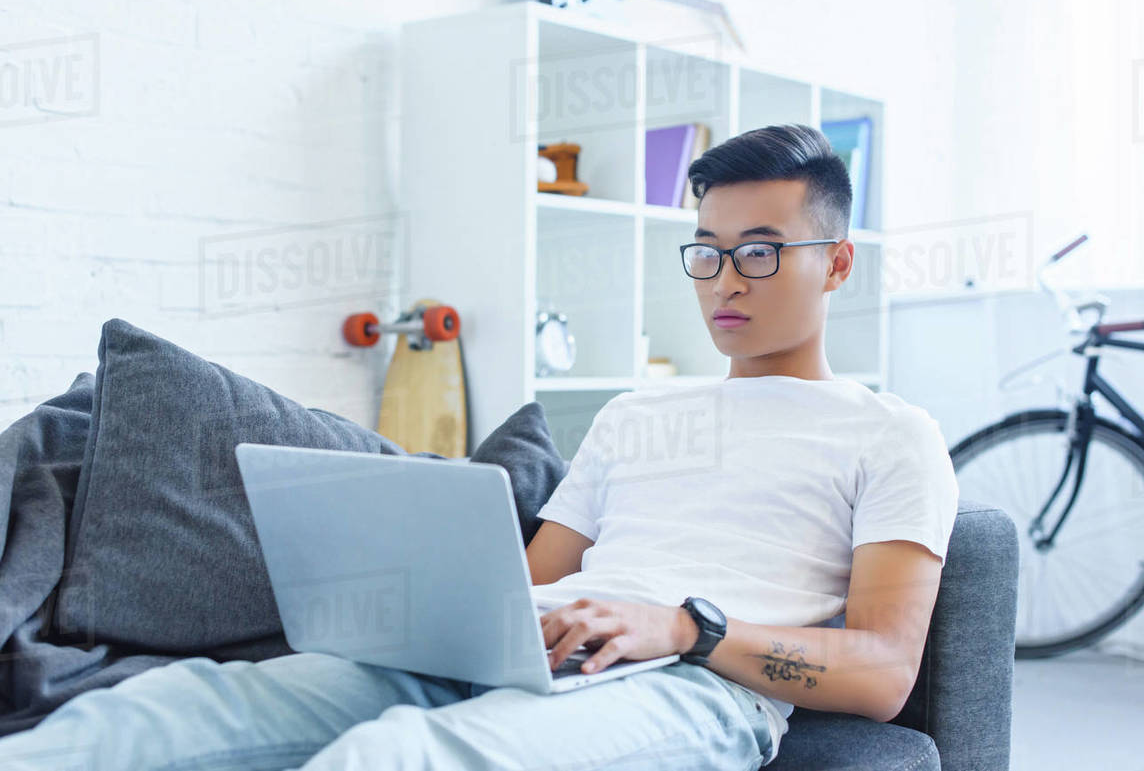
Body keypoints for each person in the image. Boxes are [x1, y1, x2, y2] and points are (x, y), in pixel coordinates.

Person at [0, 123, 958, 770]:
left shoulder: (891, 433)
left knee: (394, 758)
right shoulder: (634, 413)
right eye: (705, 251)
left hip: (694, 685)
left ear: (835, 263)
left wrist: (685, 627)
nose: (722, 280)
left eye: (758, 250)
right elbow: (529, 580)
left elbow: (882, 672)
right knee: (154, 718)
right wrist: (421, 604)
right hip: (528, 648)